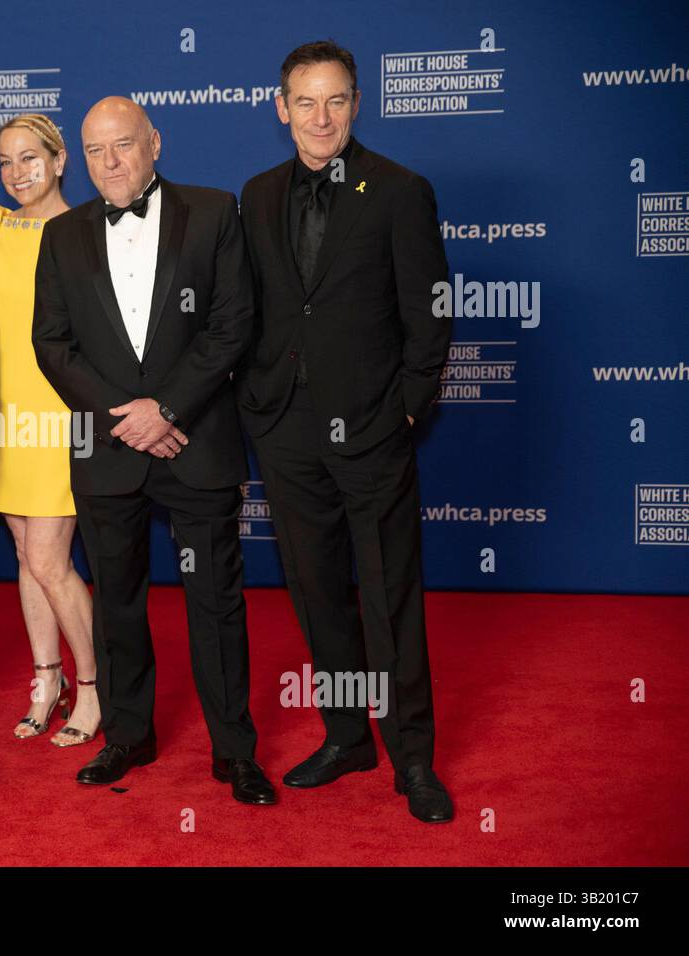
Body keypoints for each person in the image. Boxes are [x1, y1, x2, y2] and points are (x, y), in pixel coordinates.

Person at [32, 97, 275, 805]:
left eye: (125, 146)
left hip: (192, 442)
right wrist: (123, 419)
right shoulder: (64, 234)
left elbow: (234, 325)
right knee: (118, 604)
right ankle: (127, 736)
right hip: (109, 452)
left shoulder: (212, 210)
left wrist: (167, 410)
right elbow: (52, 343)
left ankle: (236, 752)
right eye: (96, 150)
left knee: (216, 602)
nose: (110, 163)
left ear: (155, 143)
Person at [237, 41, 454, 823]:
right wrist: (256, 407)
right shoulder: (257, 196)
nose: (320, 116)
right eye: (305, 101)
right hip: (285, 431)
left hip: (372, 428)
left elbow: (429, 312)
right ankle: (345, 736)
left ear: (357, 104)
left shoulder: (398, 190)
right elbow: (253, 311)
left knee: (389, 596)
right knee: (318, 593)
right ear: (281, 108)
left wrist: (404, 407)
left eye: (335, 101)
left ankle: (413, 757)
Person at [0, 114, 99, 746]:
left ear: (59, 160)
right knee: (26, 556)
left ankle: (97, 688)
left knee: (50, 559)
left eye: (30, 158)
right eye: (5, 160)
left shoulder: (85, 228)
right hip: (1, 416)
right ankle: (48, 680)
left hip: (56, 415)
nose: (17, 172)